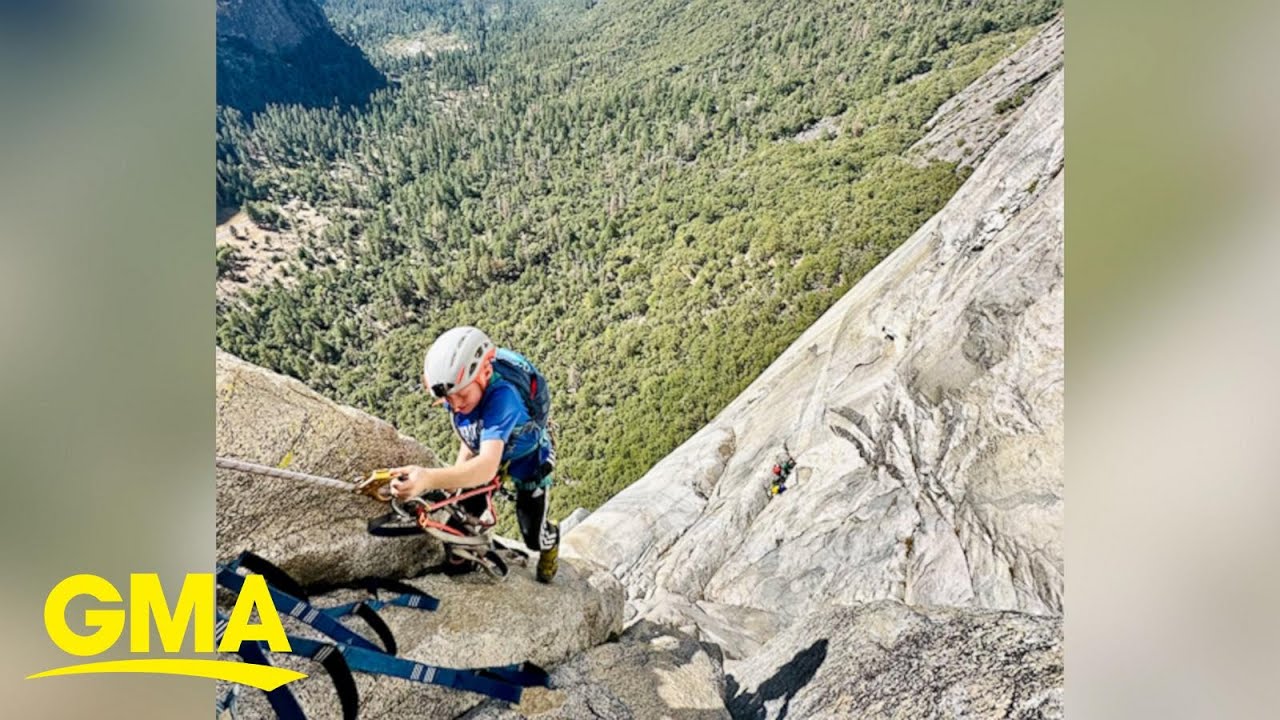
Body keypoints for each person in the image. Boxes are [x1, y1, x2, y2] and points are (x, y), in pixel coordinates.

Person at [388, 326, 560, 583]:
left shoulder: (504, 398)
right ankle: (465, 565)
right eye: (449, 399)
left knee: (534, 537)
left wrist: (428, 479)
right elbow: (470, 434)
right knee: (459, 530)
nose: (456, 404)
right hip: (487, 453)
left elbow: (487, 467)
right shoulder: (458, 388)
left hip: (527, 460)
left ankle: (551, 540)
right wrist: (457, 475)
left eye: (461, 396)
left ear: (485, 374)